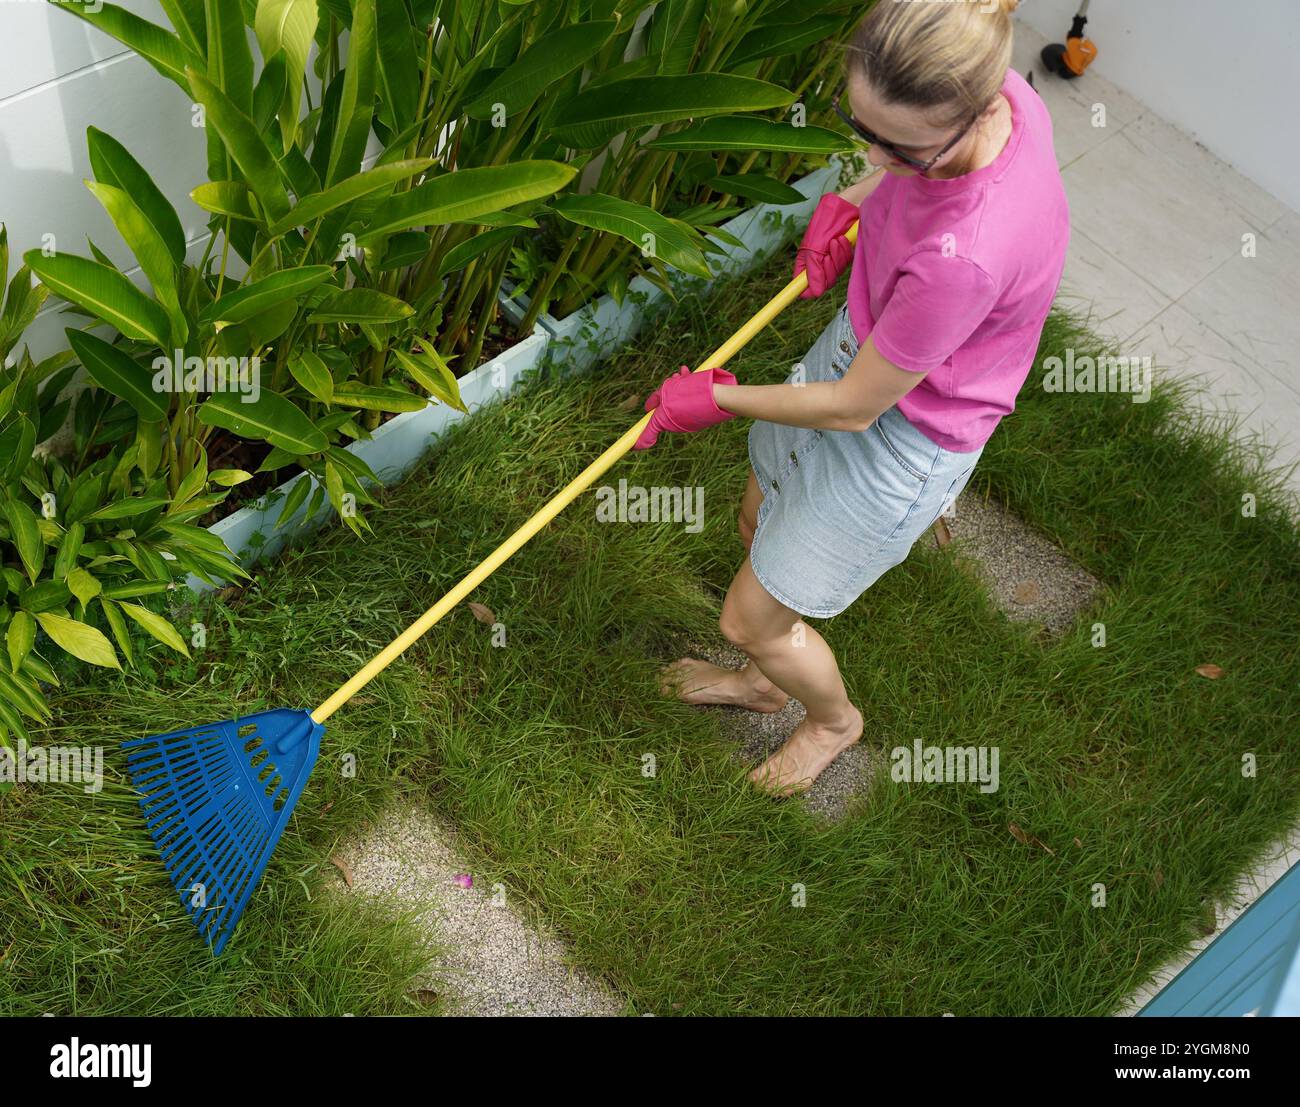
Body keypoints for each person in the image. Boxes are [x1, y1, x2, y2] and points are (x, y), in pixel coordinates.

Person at [633, 0, 1069, 795]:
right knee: (759, 511)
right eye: (858, 125)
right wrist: (857, 202)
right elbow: (901, 168)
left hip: (905, 434)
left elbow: (851, 408)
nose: (873, 152)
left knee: (748, 618)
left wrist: (721, 398)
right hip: (865, 351)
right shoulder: (1003, 93)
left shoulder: (962, 257)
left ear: (967, 114)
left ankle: (831, 719)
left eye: (896, 148)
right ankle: (771, 673)